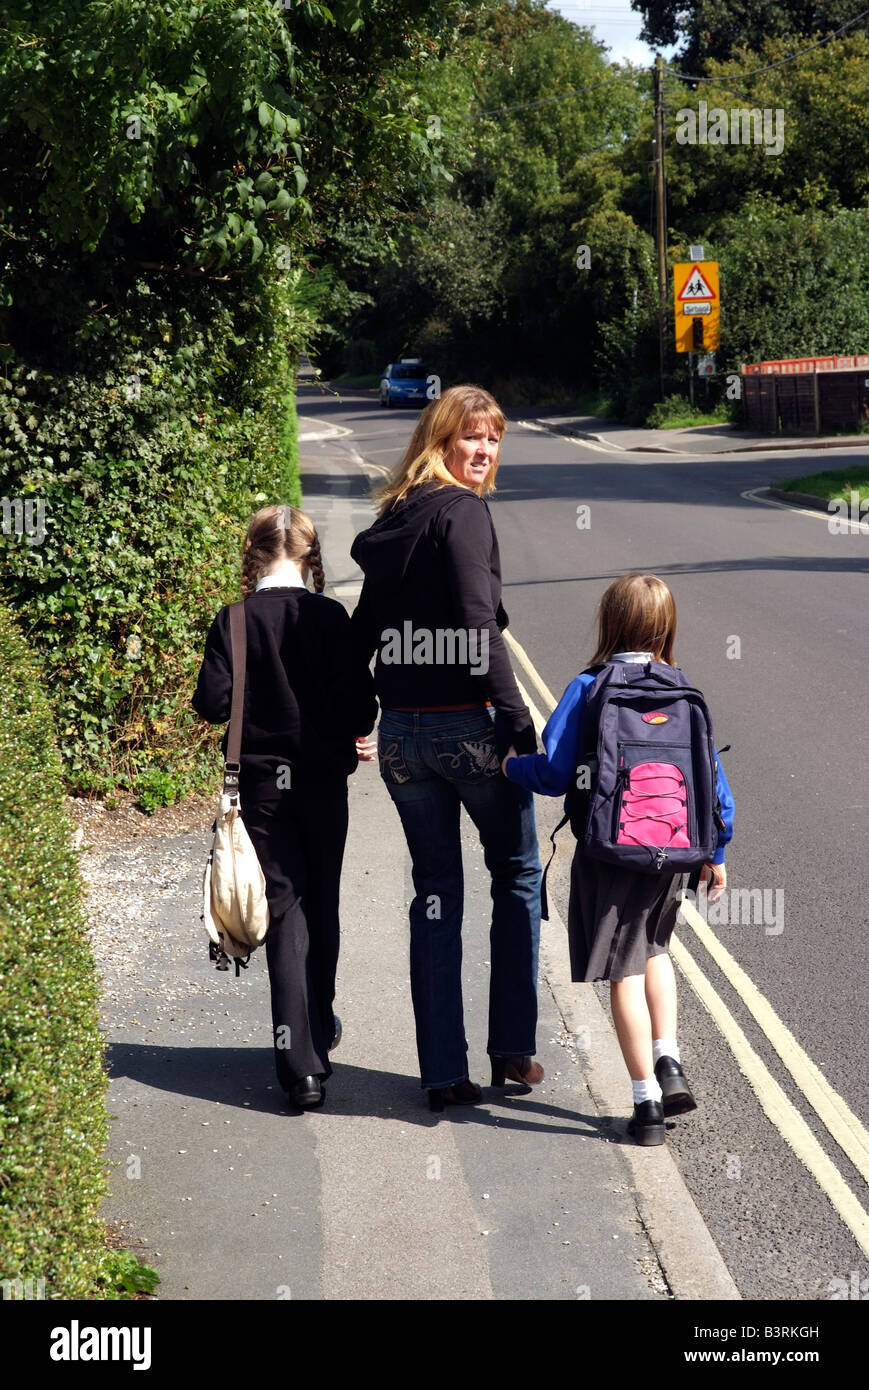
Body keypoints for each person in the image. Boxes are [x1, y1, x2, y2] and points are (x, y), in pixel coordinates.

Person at [349, 385, 543, 1114]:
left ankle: (441, 1074)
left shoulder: (397, 518)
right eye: (471, 438)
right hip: (468, 729)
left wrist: (357, 709)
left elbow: (363, 629)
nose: (484, 452)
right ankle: (511, 1049)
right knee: (518, 874)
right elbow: (473, 624)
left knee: (435, 894)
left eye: (493, 440)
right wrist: (515, 718)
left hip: (404, 736)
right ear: (440, 440)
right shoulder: (462, 513)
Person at [502, 573, 734, 1145]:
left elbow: (555, 774)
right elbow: (714, 785)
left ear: (611, 622)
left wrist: (510, 766)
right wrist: (717, 853)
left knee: (624, 972)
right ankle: (669, 1059)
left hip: (610, 853)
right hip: (674, 852)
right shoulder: (682, 688)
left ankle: (646, 1104)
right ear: (666, 627)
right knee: (656, 951)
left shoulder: (590, 687)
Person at [192, 505, 378, 1110]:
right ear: (308, 557)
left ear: (254, 556)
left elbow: (213, 704)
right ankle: (318, 1030)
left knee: (284, 911)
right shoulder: (330, 617)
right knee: (321, 902)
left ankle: (300, 1065)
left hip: (263, 788)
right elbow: (359, 711)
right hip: (324, 783)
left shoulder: (235, 621)